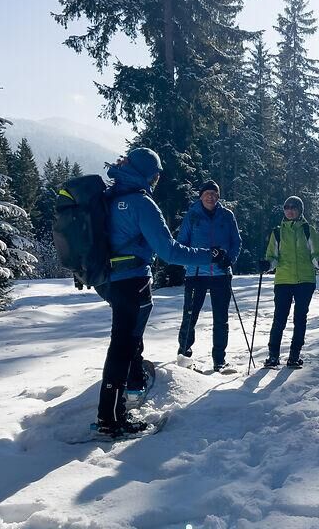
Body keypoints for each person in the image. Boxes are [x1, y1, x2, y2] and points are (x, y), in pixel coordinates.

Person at [96, 148, 228, 436]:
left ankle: (121, 402)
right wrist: (210, 255)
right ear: (147, 173)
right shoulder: (140, 202)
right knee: (123, 345)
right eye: (155, 175)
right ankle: (112, 417)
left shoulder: (111, 195)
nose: (156, 181)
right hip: (133, 280)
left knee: (124, 342)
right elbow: (169, 251)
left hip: (109, 279)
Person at [258, 196, 319, 369]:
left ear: (300, 210)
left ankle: (294, 356)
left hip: (305, 281)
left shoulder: (308, 230)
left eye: (294, 207)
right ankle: (273, 356)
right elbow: (273, 257)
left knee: (300, 319)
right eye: (286, 207)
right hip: (283, 280)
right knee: (279, 318)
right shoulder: (277, 232)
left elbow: (315, 254)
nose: (290, 210)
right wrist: (267, 264)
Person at [176, 180, 241, 371]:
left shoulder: (227, 215)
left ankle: (219, 360)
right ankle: (184, 356)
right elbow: (182, 243)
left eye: (214, 194)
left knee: (221, 318)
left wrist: (230, 259)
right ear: (201, 196)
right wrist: (193, 260)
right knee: (190, 317)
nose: (211, 197)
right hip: (196, 274)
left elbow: (236, 241)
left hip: (221, 273)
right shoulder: (193, 215)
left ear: (218, 196)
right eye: (207, 194)